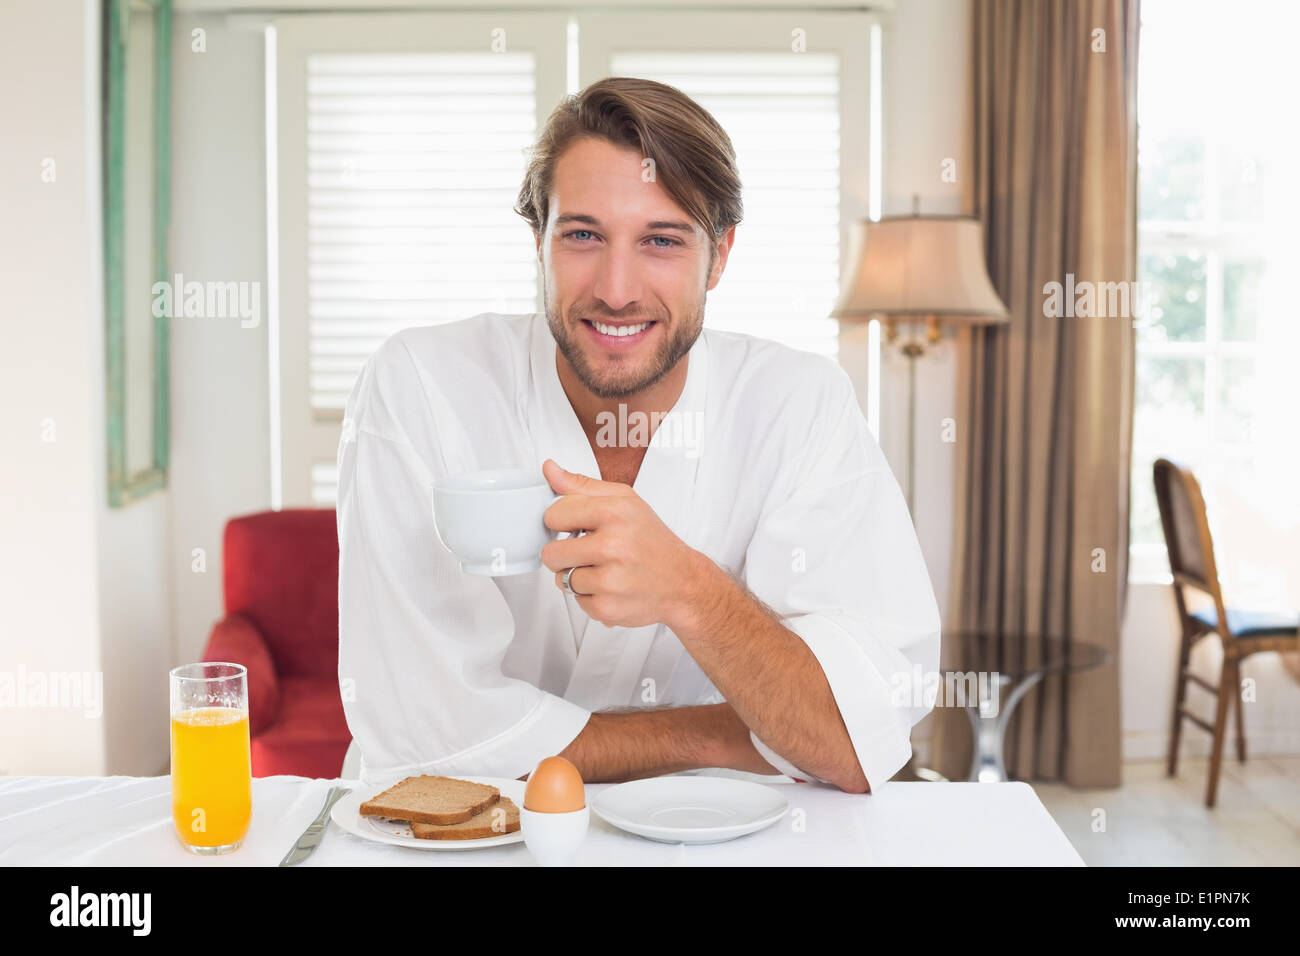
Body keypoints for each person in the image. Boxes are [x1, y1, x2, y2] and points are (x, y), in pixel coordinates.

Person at [337, 76, 940, 794]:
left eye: (661, 240)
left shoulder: (800, 407)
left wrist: (689, 590)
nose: (617, 289)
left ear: (719, 256)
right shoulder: (420, 388)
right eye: (584, 235)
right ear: (539, 242)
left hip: (711, 840)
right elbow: (424, 736)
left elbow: (854, 741)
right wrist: (718, 735)